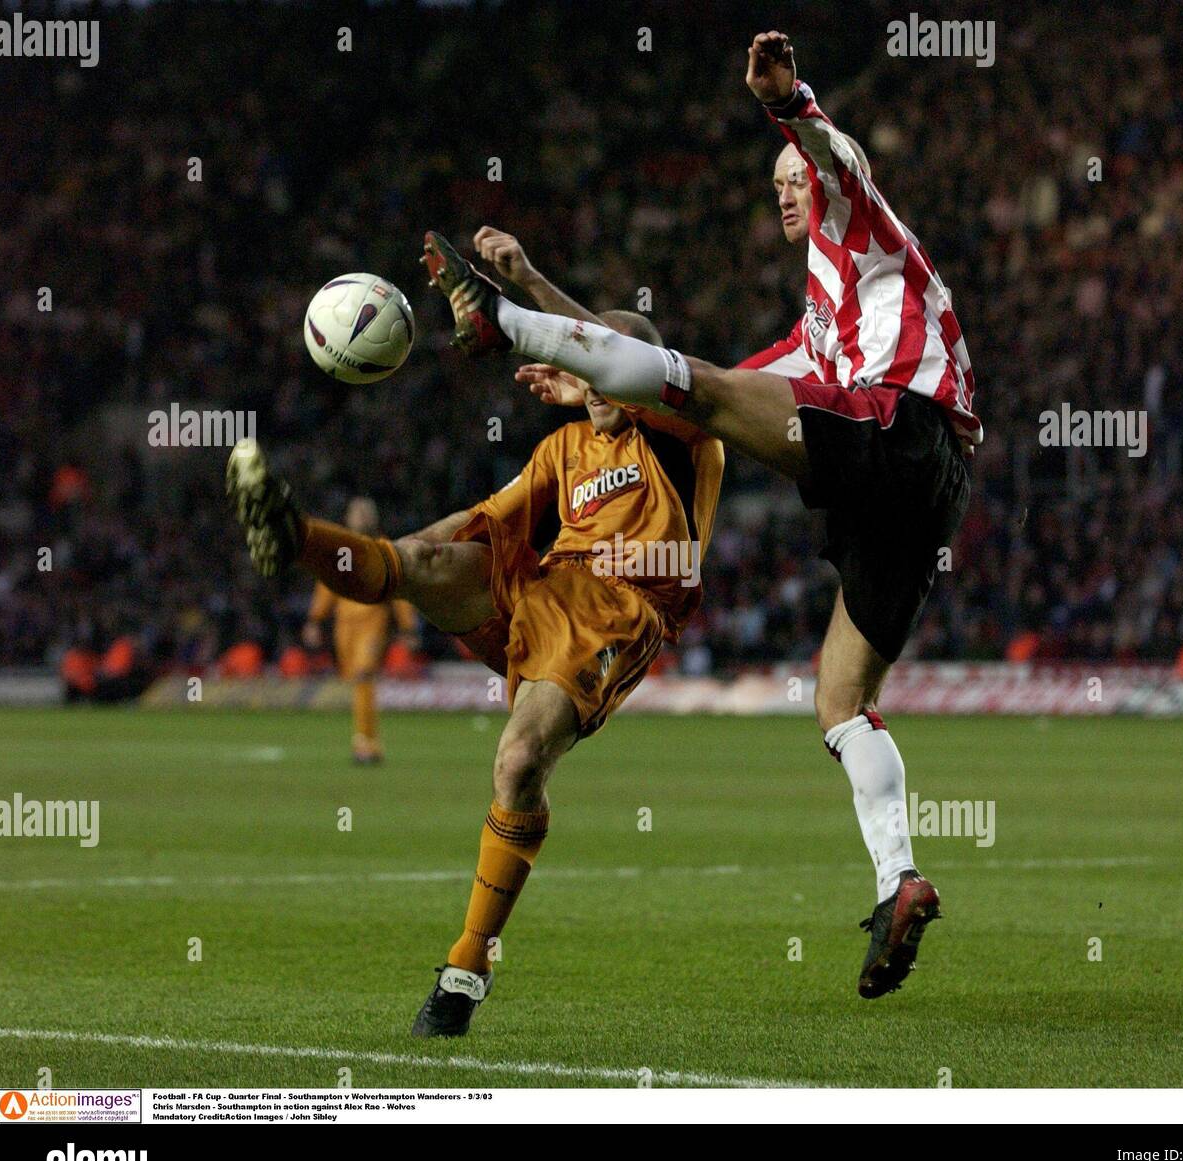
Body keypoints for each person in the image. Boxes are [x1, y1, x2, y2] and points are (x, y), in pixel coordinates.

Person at [420, 30, 979, 999]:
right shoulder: (813, 336)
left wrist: (788, 102)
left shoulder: (862, 225)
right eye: (776, 186)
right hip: (918, 495)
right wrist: (543, 299)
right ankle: (899, 879)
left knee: (710, 393)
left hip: (902, 427)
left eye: (790, 180)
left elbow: (836, 163)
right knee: (839, 703)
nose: (786, 192)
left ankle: (494, 325)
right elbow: (681, 391)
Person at [226, 311, 723, 1035]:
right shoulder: (563, 447)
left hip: (620, 607)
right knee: (420, 558)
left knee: (520, 762)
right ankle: (291, 529)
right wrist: (407, 555)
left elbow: (663, 389)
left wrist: (531, 311)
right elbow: (490, 516)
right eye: (592, 361)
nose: (598, 377)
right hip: (544, 592)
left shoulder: (685, 438)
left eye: (614, 361)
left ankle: (467, 964)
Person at [301, 496, 419, 764]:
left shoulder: (385, 549)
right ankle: (363, 740)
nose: (363, 518)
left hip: (373, 623)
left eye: (367, 513)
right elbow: (327, 586)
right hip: (344, 627)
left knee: (364, 676)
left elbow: (399, 592)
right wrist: (315, 620)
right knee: (356, 681)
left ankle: (366, 744)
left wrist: (408, 627)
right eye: (358, 513)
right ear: (348, 518)